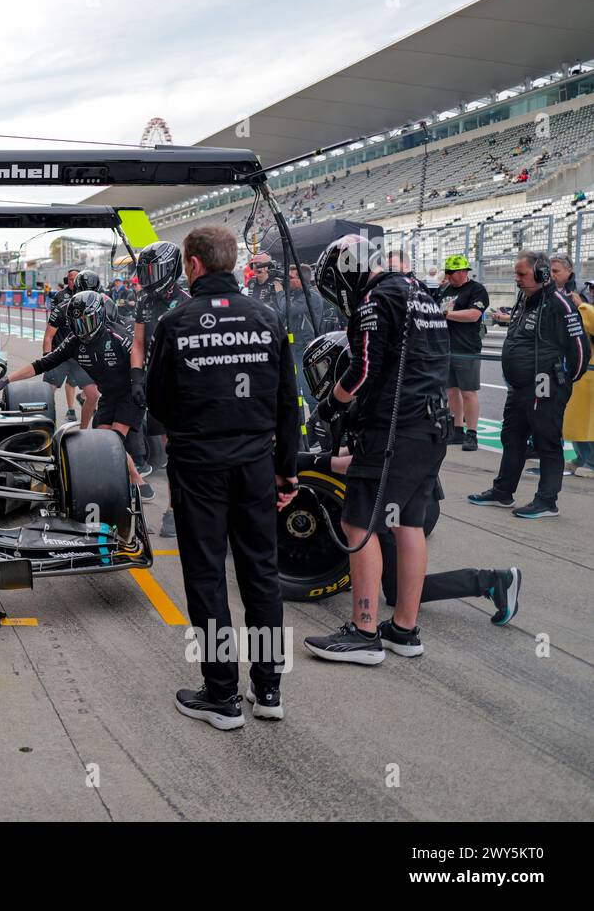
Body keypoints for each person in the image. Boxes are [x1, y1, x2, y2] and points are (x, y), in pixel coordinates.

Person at [144, 226, 299, 729]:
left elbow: (159, 401)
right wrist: (287, 471)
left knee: (207, 577)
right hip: (256, 464)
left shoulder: (175, 322)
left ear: (193, 265)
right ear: (232, 263)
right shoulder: (267, 317)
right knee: (262, 574)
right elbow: (286, 405)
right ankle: (269, 689)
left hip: (199, 466)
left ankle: (221, 694)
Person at [300, 332, 523, 626]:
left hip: (406, 496)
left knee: (396, 589)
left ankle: (492, 581)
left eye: (320, 370)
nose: (320, 379)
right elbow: (357, 452)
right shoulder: (372, 392)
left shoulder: (373, 397)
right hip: (405, 489)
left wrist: (313, 461)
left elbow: (365, 461)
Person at [305, 234, 451, 665]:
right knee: (409, 525)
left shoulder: (375, 299)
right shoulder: (420, 293)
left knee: (360, 524)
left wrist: (330, 405)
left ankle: (364, 631)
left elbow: (363, 369)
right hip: (433, 424)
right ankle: (404, 629)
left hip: (394, 429)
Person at [469, 251, 590, 517]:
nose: (517, 279)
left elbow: (580, 350)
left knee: (547, 442)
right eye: (516, 273)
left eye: (521, 274)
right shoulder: (525, 299)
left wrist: (565, 380)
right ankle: (503, 492)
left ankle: (547, 501)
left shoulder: (560, 303)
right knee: (512, 437)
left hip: (544, 385)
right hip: (520, 386)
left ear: (542, 274)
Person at [0, 290, 151, 496]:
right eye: (76, 323)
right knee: (102, 442)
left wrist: (143, 387)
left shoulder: (117, 335)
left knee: (112, 440)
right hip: (108, 396)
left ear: (98, 316)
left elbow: (142, 357)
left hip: (130, 393)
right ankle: (135, 480)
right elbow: (42, 363)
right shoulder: (73, 342)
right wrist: (7, 380)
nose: (81, 329)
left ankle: (130, 483)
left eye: (85, 322)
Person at [129, 242, 189, 514]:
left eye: (152, 270)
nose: (147, 276)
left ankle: (174, 510)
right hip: (156, 383)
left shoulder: (188, 299)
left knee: (180, 452)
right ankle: (176, 505)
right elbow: (138, 343)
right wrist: (137, 377)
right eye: (145, 271)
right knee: (167, 452)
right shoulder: (143, 300)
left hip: (184, 384)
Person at [435, 254, 490, 451]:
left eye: (452, 272)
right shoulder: (444, 290)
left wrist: (446, 314)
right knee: (451, 391)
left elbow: (474, 315)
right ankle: (457, 429)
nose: (448, 276)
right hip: (446, 347)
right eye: (447, 272)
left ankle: (472, 434)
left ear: (463, 271)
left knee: (468, 392)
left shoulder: (477, 289)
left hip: (467, 348)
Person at [551, 255, 594, 476]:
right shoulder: (555, 291)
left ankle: (591, 462)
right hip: (572, 363)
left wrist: (583, 306)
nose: (552, 274)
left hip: (588, 366)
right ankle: (581, 458)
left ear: (569, 270)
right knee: (574, 418)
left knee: (587, 419)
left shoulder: (581, 295)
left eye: (556, 270)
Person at [42, 269, 99, 425]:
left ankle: (83, 430)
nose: (73, 282)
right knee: (47, 391)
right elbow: (48, 335)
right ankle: (45, 425)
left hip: (81, 354)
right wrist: (47, 358)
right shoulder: (61, 301)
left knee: (93, 393)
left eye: (76, 279)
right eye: (70, 279)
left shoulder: (95, 300)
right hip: (61, 352)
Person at [271, 263, 327, 410]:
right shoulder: (296, 295)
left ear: (301, 279)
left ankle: (320, 427)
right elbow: (280, 315)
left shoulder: (311, 296)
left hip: (307, 351)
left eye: (291, 277)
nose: (287, 281)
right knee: (293, 393)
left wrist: (279, 292)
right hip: (294, 350)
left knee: (310, 394)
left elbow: (288, 310)